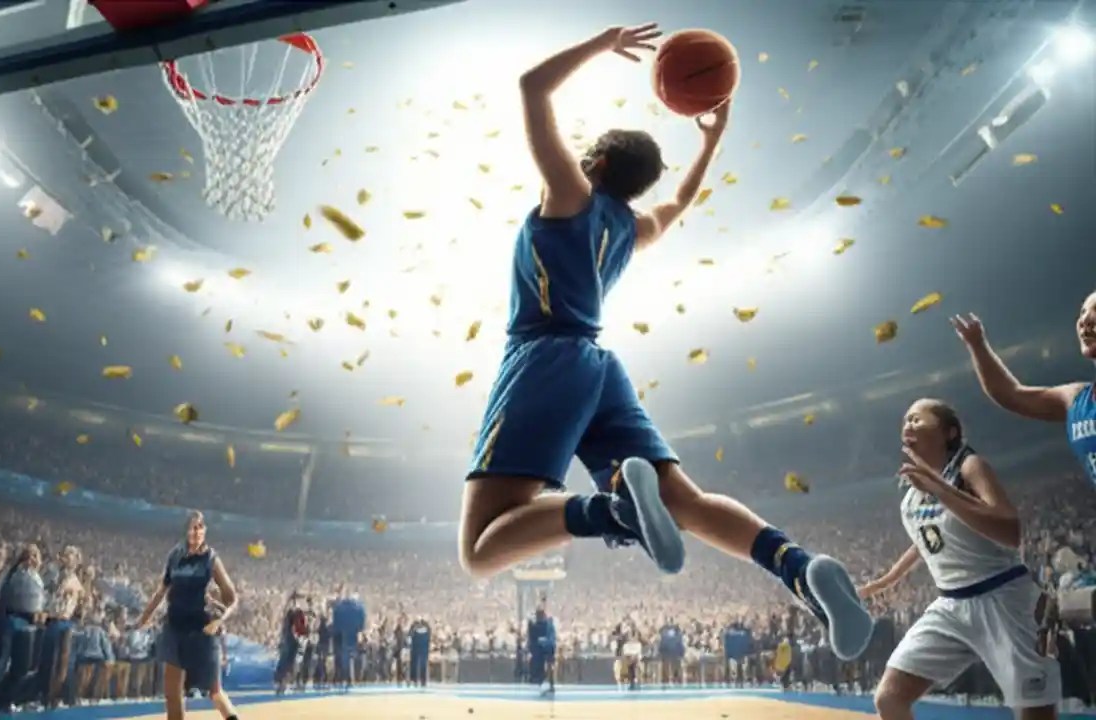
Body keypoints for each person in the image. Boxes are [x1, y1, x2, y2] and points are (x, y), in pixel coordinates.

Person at [457, 21, 873, 661]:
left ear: (593, 162)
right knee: (690, 504)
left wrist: (602, 44)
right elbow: (679, 200)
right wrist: (713, 140)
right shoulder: (631, 225)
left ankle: (615, 513)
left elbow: (531, 87)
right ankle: (797, 566)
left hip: (543, 357)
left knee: (480, 549)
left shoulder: (570, 194)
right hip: (600, 368)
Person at [859, 399, 1059, 720]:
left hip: (1004, 599)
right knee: (889, 699)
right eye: (905, 420)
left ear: (948, 433)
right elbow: (925, 543)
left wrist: (940, 490)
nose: (908, 425)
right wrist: (882, 583)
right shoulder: (911, 492)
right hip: (951, 605)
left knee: (1035, 713)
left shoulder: (969, 466)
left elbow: (1010, 530)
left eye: (917, 419)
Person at [952, 293, 1096, 486]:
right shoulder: (1078, 399)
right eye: (1082, 311)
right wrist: (978, 345)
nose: (1084, 319)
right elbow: (1010, 394)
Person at [134, 511, 240, 720]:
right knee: (172, 695)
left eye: (201, 527)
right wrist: (143, 618)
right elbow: (161, 591)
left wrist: (219, 620)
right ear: (185, 531)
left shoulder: (211, 559)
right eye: (193, 527)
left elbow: (232, 598)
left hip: (201, 631)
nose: (197, 531)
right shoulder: (174, 556)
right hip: (174, 630)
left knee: (215, 692)